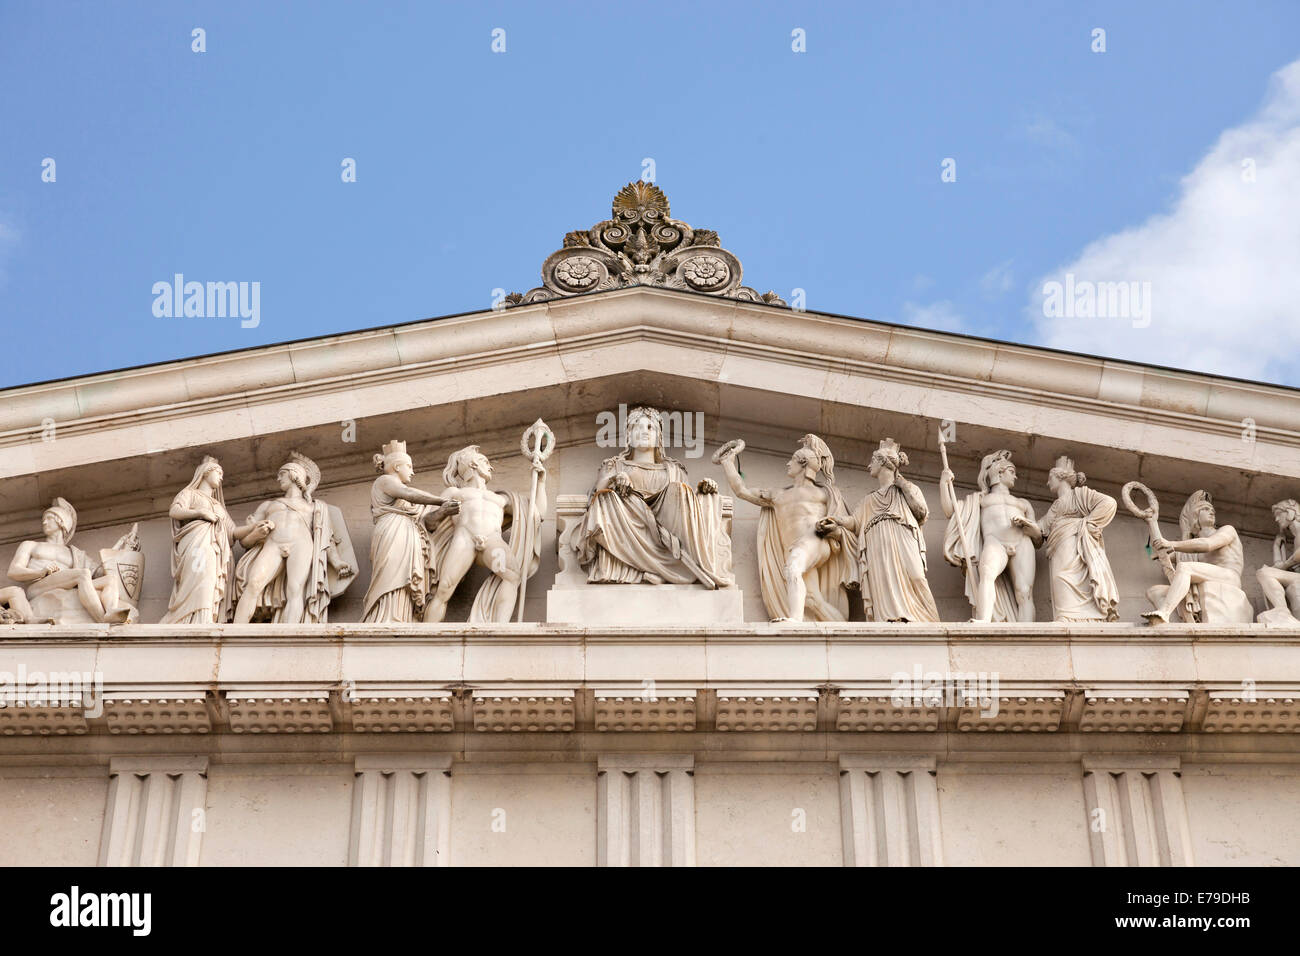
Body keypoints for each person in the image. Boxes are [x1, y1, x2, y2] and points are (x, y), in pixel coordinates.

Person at [563, 406, 733, 588]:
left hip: (665, 529)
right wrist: (615, 479)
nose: (644, 431)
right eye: (638, 427)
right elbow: (597, 494)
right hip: (627, 523)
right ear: (629, 435)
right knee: (606, 499)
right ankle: (651, 568)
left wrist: (705, 492)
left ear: (659, 436)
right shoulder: (616, 465)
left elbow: (689, 514)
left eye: (650, 427)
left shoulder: (674, 470)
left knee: (681, 490)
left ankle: (668, 569)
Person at [718, 433, 856, 621]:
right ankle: (842, 628)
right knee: (812, 599)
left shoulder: (823, 493)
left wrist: (834, 528)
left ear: (804, 464)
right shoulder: (777, 495)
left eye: (792, 460)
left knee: (793, 568)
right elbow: (741, 491)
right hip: (792, 546)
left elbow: (845, 522)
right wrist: (727, 462)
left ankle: (795, 620)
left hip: (814, 539)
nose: (787, 464)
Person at [424, 444, 545, 623]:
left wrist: (541, 481)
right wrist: (443, 511)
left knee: (513, 576)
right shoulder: (455, 493)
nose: (491, 466)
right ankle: (425, 638)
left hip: (491, 540)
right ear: (473, 465)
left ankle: (499, 629)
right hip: (464, 538)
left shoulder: (501, 499)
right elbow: (429, 522)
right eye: (485, 462)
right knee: (443, 589)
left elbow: (537, 514)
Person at [231, 452, 354, 624]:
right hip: (272, 545)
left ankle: (288, 635)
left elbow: (327, 539)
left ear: (293, 475)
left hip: (301, 546)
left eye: (282, 474)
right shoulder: (268, 505)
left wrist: (336, 562)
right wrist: (256, 534)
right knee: (253, 584)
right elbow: (245, 542)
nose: (278, 479)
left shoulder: (315, 507)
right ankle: (236, 631)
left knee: (295, 591)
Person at [361, 440, 459, 623]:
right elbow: (409, 493)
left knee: (406, 579)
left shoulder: (407, 501)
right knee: (391, 575)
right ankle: (385, 617)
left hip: (408, 534)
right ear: (397, 466)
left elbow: (429, 522)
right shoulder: (385, 481)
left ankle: (403, 617)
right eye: (409, 466)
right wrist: (441, 501)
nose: (413, 471)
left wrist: (444, 511)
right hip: (392, 532)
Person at [941, 449, 1042, 622]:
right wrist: (944, 483)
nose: (1015, 477)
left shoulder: (1023, 504)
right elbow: (951, 511)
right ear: (999, 473)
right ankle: (983, 622)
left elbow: (1038, 538)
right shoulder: (980, 500)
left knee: (1024, 591)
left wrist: (1027, 524)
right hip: (995, 542)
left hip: (1022, 542)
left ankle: (1027, 631)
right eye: (1012, 472)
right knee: (986, 574)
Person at [851, 438, 939, 623]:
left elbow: (921, 513)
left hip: (903, 535)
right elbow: (853, 522)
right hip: (877, 544)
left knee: (916, 576)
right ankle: (888, 617)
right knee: (883, 579)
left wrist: (904, 486)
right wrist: (835, 521)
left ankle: (929, 620)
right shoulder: (868, 500)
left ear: (883, 462)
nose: (869, 465)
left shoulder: (908, 488)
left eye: (873, 461)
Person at [1143, 490, 1248, 625]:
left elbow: (1208, 544)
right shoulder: (1192, 549)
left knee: (1185, 568)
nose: (1212, 512)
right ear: (1195, 516)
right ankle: (1184, 624)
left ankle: (1165, 612)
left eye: (1212, 510)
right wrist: (1152, 523)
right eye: (1205, 509)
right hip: (1206, 577)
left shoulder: (1227, 530)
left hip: (1229, 577)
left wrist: (1172, 544)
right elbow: (1157, 555)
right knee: (1155, 591)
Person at [1038, 456, 1119, 622]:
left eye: (1050, 478)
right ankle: (1066, 616)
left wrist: (1088, 524)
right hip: (1057, 545)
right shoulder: (1055, 506)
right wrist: (1024, 523)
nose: (1047, 483)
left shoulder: (1080, 494)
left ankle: (1078, 618)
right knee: (1059, 578)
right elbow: (1040, 530)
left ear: (1060, 477)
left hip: (1074, 541)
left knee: (1066, 577)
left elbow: (1109, 503)